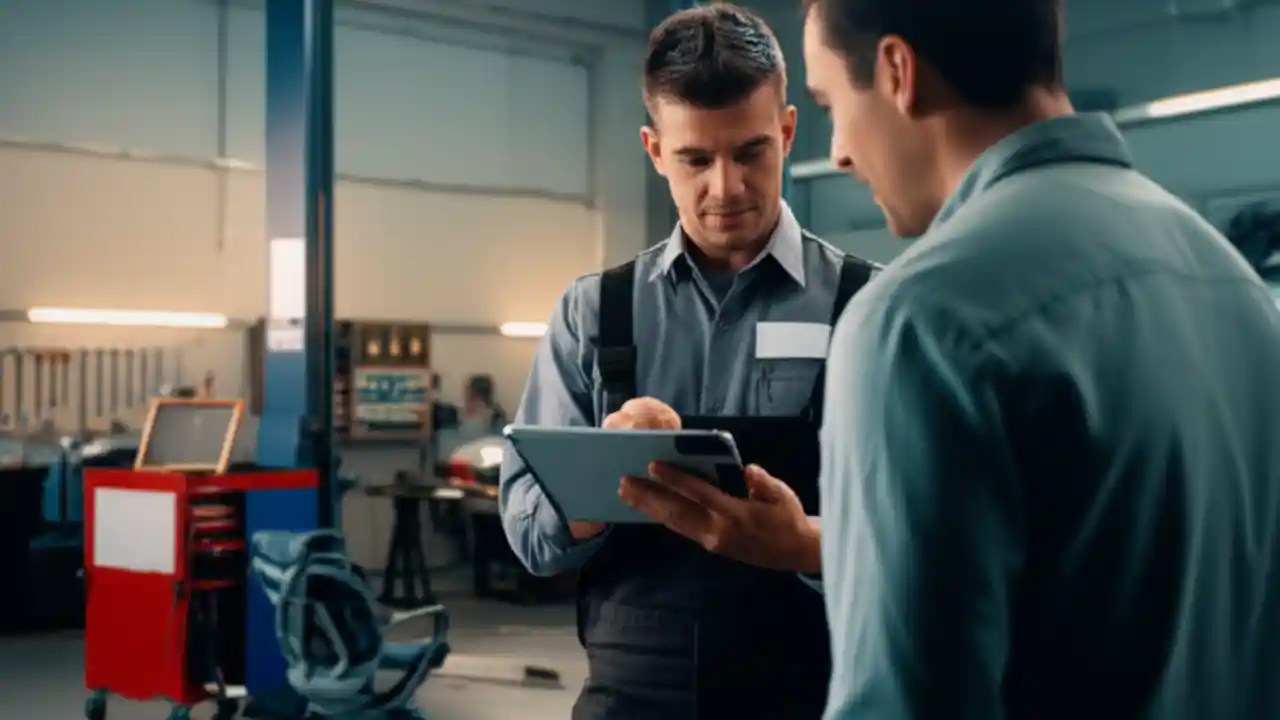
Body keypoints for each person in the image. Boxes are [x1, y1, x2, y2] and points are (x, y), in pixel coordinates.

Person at [635, 0, 1280, 717]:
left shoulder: (920, 321)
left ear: (897, 72)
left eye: (829, 103)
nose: (840, 151)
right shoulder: (1236, 287)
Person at [498, 4, 878, 718]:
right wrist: (602, 476)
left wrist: (803, 544)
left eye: (750, 152)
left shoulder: (869, 309)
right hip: (631, 698)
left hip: (813, 695)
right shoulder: (593, 313)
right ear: (654, 149)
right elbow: (529, 539)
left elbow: (913, 543)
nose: (725, 187)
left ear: (787, 132)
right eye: (696, 160)